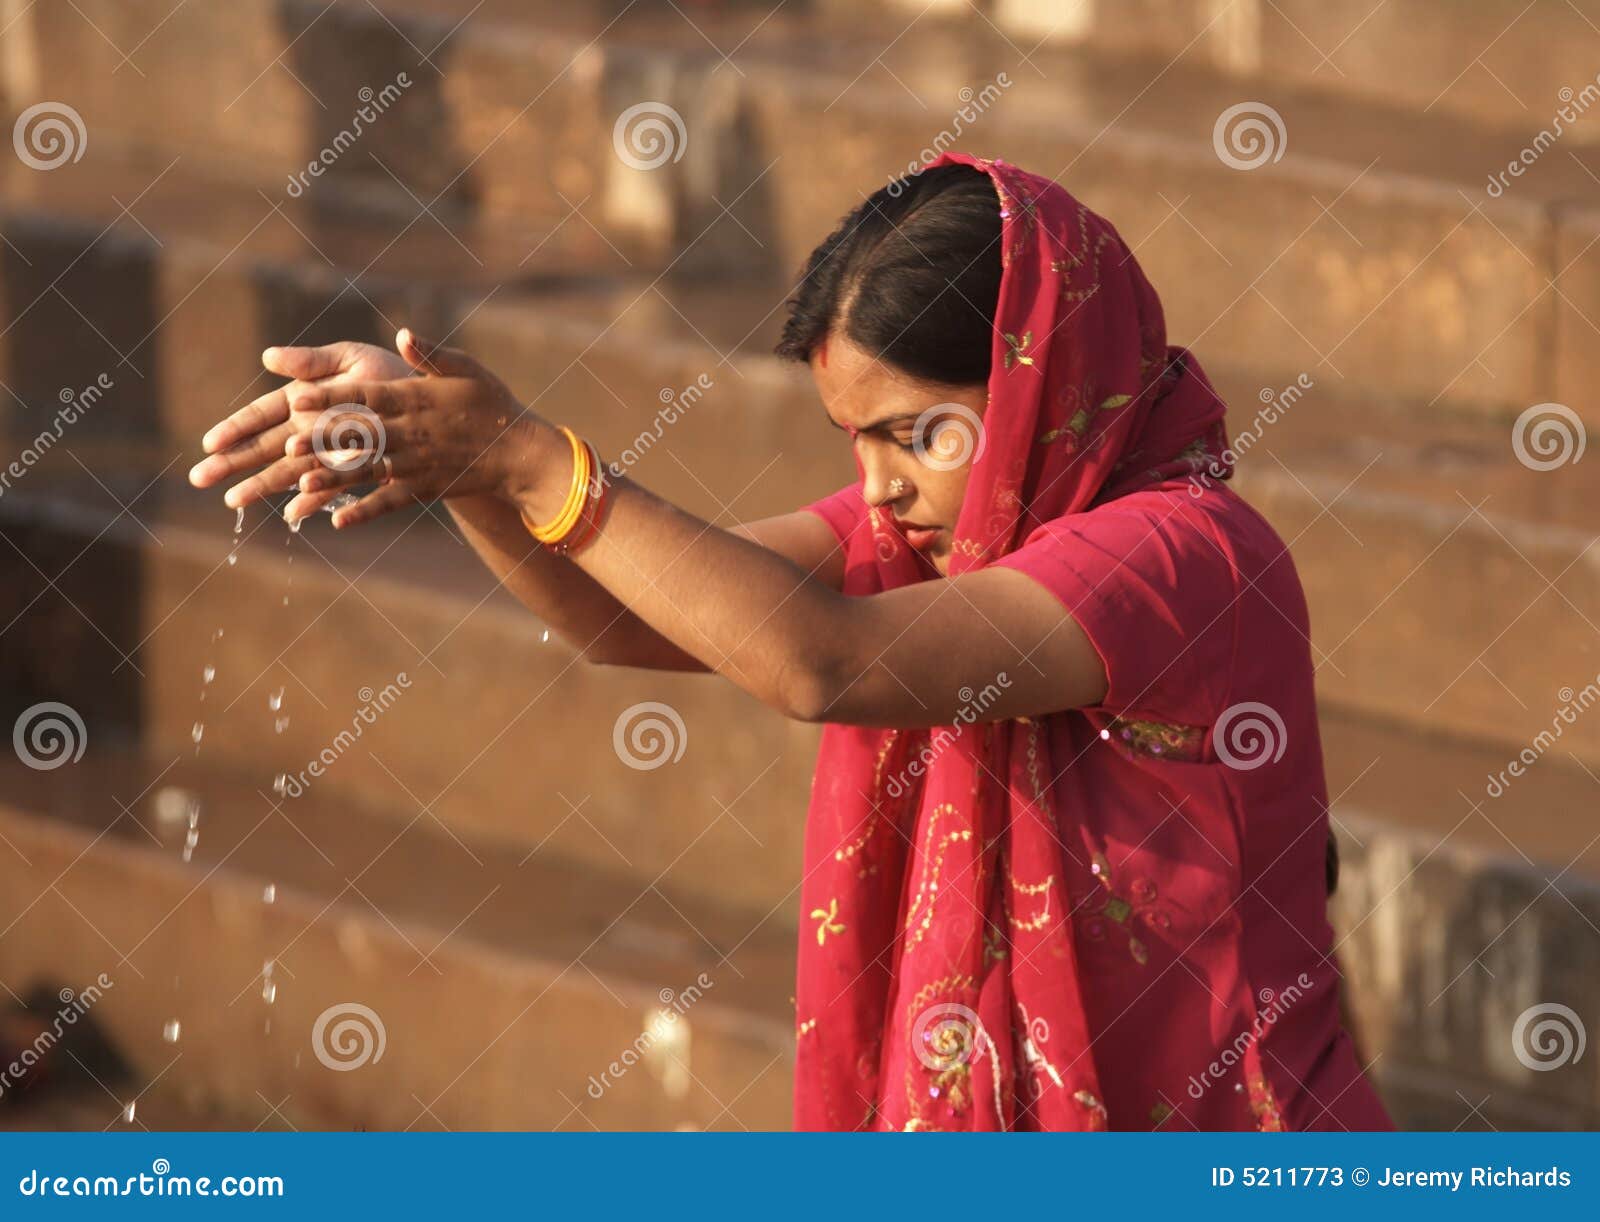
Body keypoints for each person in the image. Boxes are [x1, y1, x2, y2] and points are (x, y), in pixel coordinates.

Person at [187, 152, 1392, 1132]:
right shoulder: (930, 534)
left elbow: (827, 664)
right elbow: (618, 618)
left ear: (1036, 380)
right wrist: (457, 465)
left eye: (918, 434)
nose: (881, 488)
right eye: (854, 440)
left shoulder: (1182, 556)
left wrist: (528, 457)